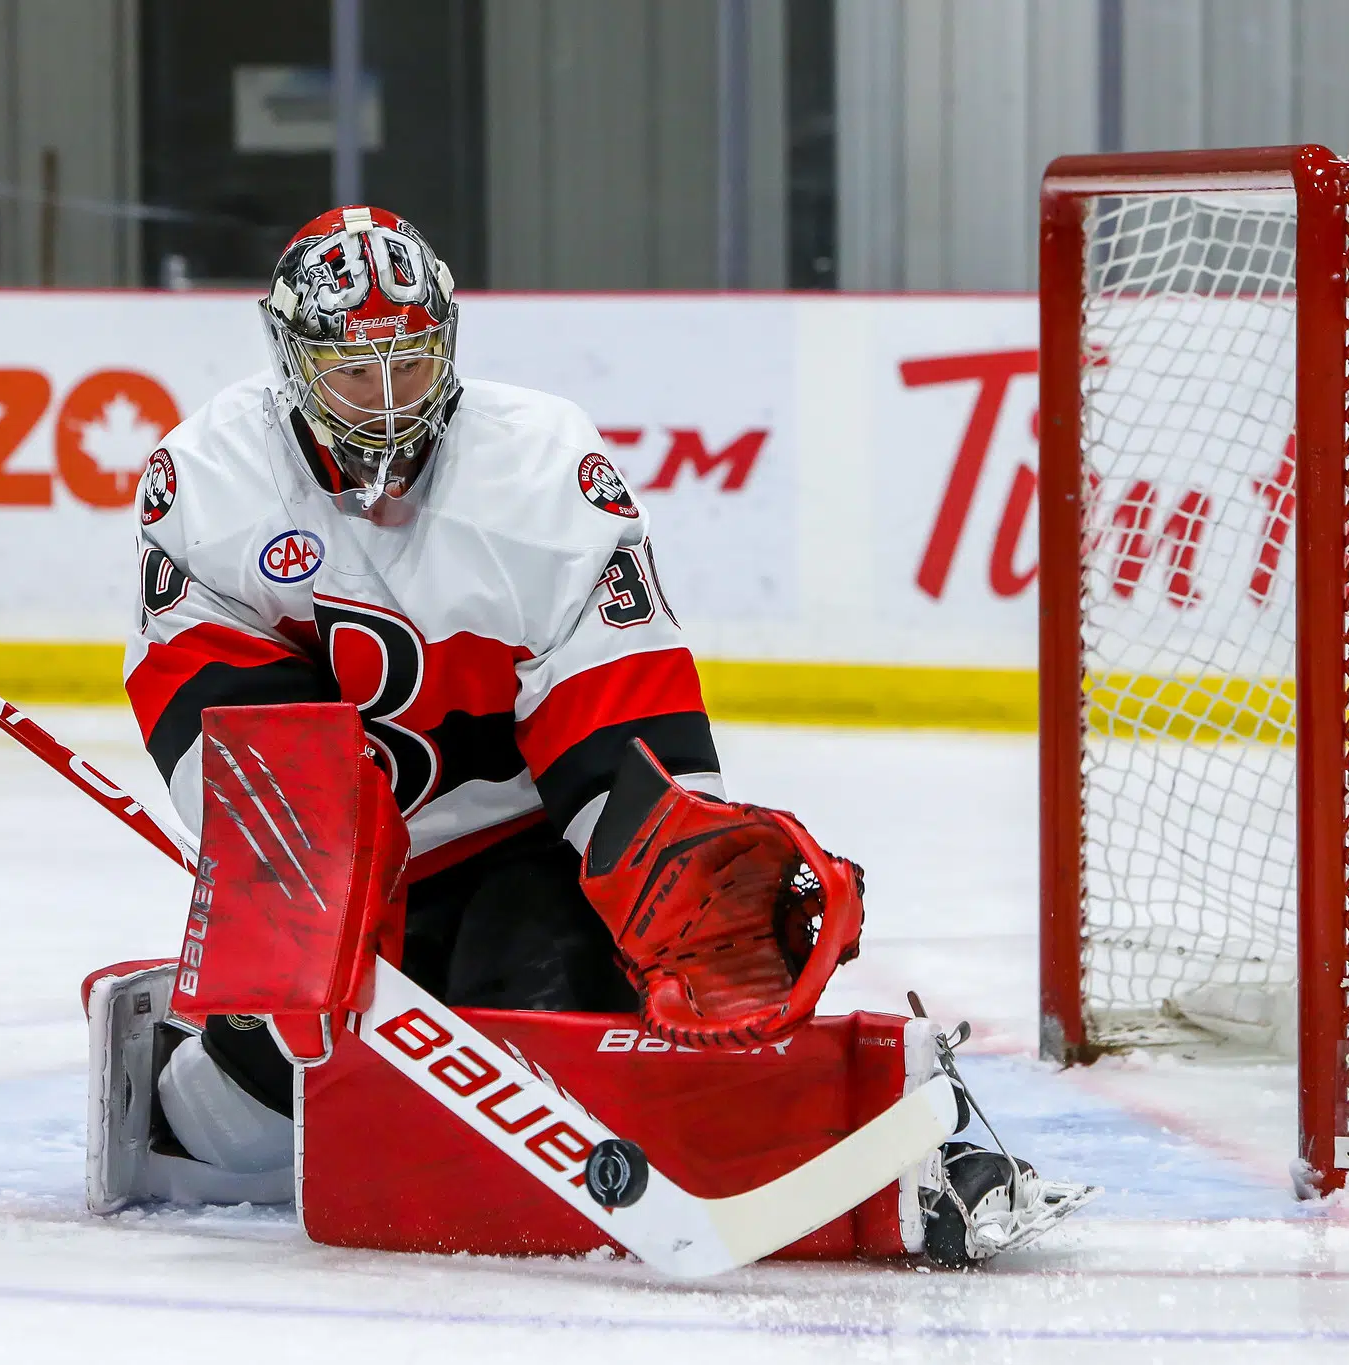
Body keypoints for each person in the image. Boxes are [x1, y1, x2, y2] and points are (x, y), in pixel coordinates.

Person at [98, 206, 1076, 1264]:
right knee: (223, 1125)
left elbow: (614, 709)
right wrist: (303, 896)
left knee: (546, 1031)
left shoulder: (541, 465)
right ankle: (214, 1045)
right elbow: (229, 725)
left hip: (520, 850)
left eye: (412, 364)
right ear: (290, 363)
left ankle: (836, 1136)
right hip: (338, 869)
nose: (387, 403)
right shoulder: (207, 481)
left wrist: (683, 869)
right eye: (353, 372)